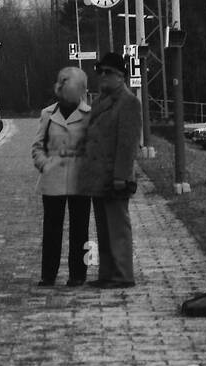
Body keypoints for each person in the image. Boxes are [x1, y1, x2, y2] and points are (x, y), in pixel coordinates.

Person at [79, 52, 142, 288]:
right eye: (100, 72)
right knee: (104, 230)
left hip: (115, 176)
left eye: (109, 72)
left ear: (121, 76)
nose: (102, 76)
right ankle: (107, 274)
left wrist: (121, 176)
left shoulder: (128, 102)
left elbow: (128, 144)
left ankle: (123, 275)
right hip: (98, 176)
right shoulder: (102, 101)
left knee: (118, 228)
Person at [31, 67, 91, 287]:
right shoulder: (48, 114)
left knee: (80, 230)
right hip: (52, 178)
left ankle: (78, 274)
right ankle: (48, 274)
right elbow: (37, 146)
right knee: (51, 229)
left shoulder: (88, 115)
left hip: (80, 180)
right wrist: (43, 164)